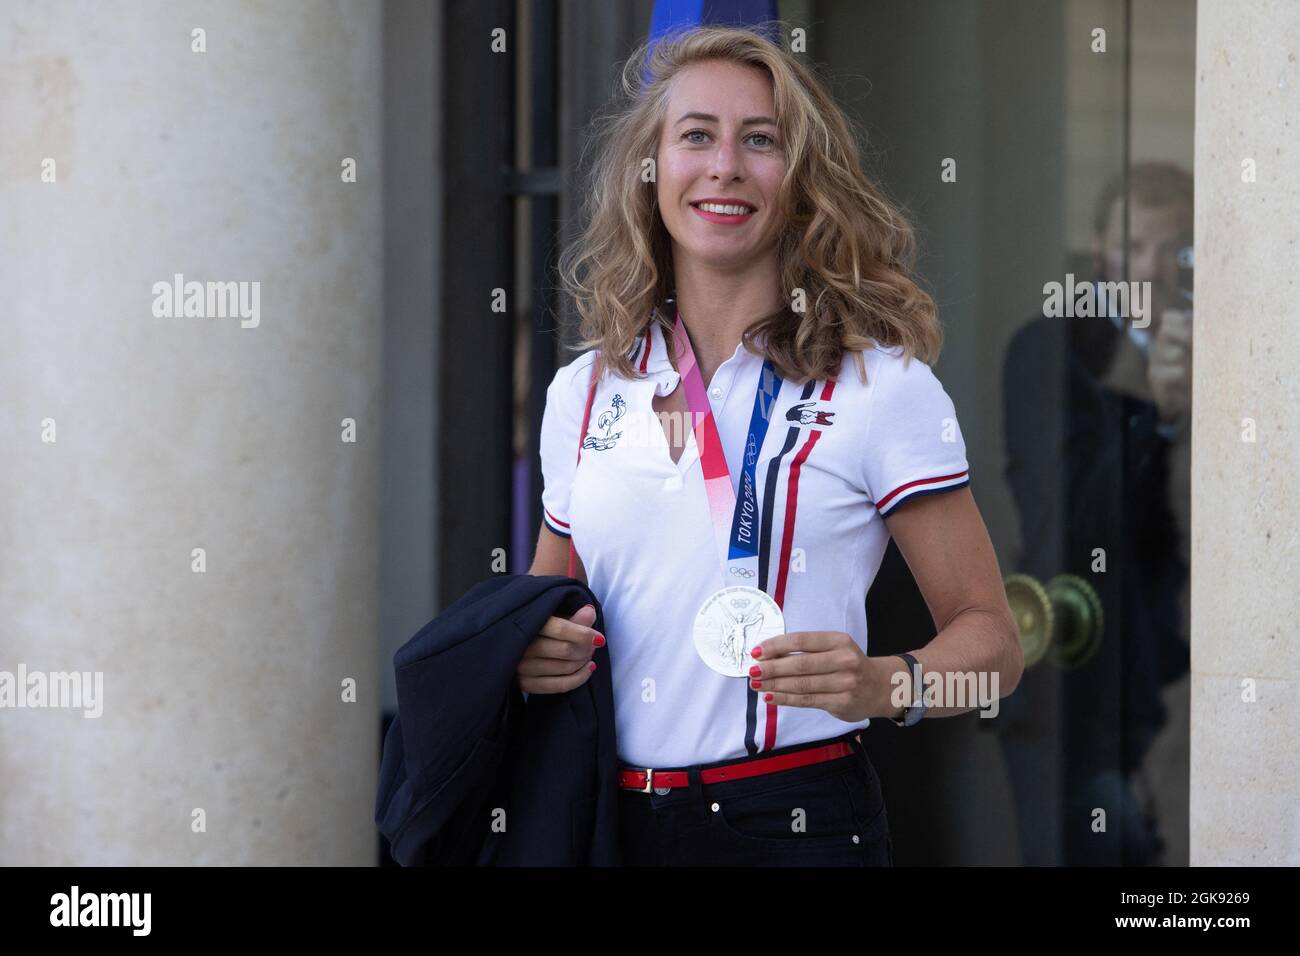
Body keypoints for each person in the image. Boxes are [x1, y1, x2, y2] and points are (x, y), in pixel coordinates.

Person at [524, 23, 1022, 867]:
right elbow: (541, 612)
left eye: (761, 140)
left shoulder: (880, 387)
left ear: (801, 180)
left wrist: (884, 683)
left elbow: (995, 647)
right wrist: (534, 654)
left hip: (793, 818)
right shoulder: (585, 391)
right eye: (696, 136)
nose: (725, 166)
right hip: (606, 820)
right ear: (650, 173)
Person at [997, 161, 1193, 864]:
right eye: (1136, 247)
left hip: (1183, 695)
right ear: (1101, 250)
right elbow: (1069, 523)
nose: (1154, 270)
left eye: (1176, 249)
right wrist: (1159, 417)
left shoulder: (1225, 348)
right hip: (1081, 700)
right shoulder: (1048, 351)